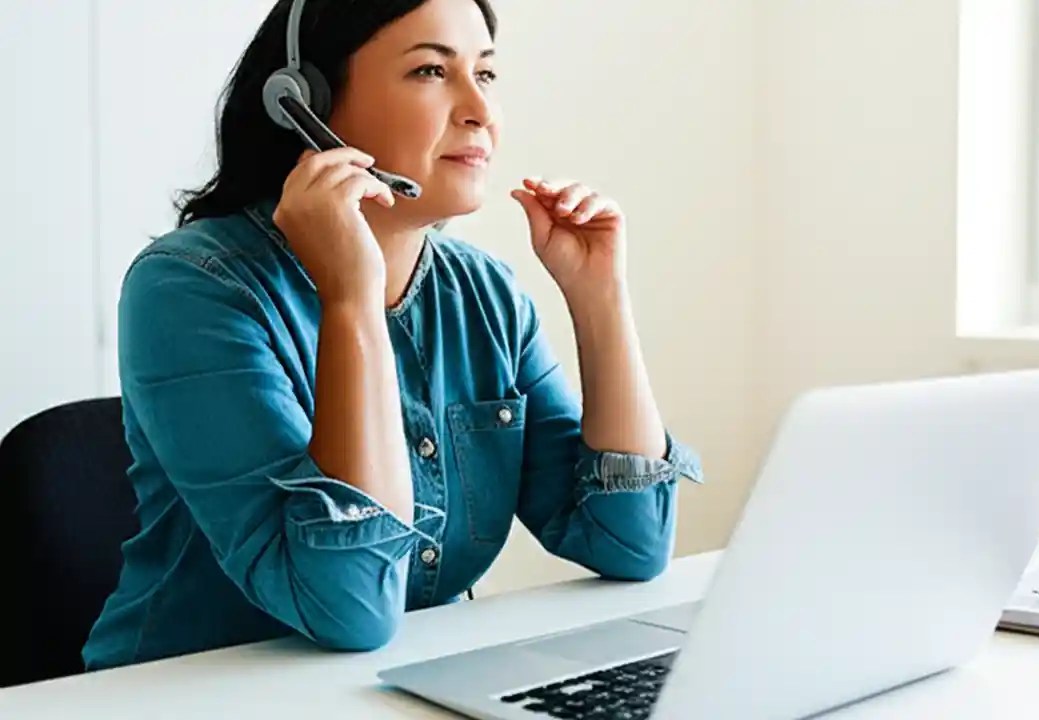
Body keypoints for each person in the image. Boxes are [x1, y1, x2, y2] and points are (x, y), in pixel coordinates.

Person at [83, 0, 702, 671]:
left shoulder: (484, 293)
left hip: (398, 686)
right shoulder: (191, 288)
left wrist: (600, 296)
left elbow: (629, 542)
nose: (480, 112)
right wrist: (352, 300)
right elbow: (348, 608)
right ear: (306, 102)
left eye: (486, 75)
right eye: (432, 71)